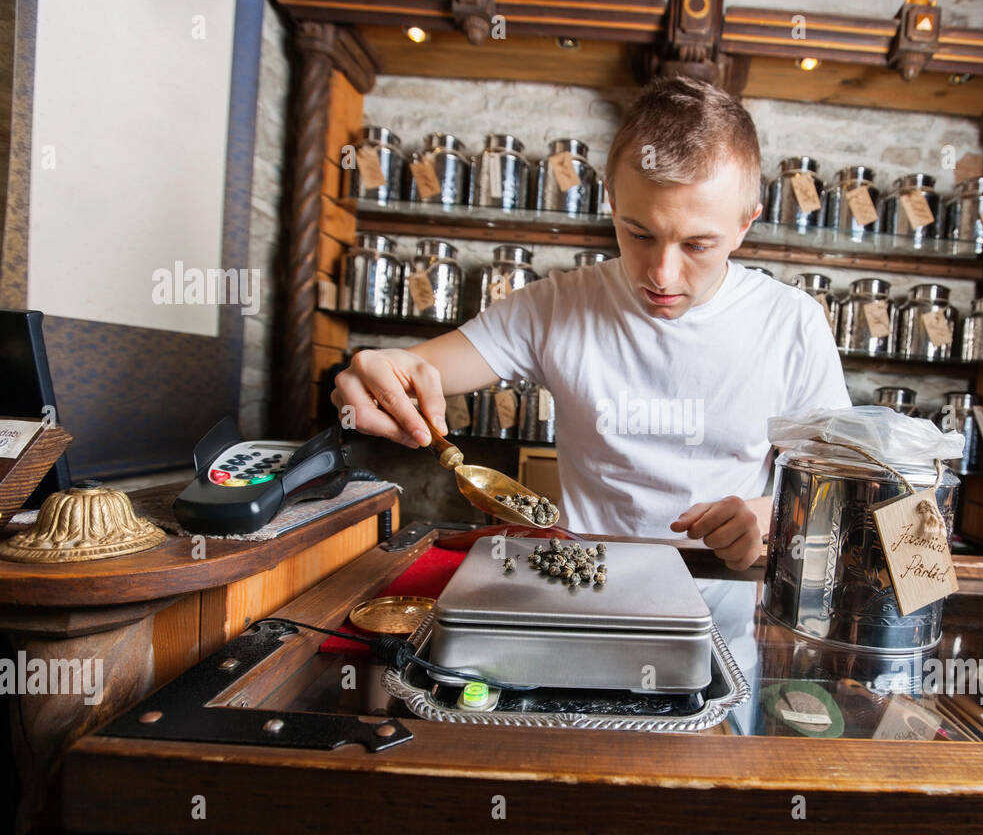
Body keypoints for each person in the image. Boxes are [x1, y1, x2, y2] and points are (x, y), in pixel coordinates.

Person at [330, 76, 849, 573]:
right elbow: (413, 372)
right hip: (585, 590)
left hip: (725, 614)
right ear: (613, 201)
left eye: (697, 245)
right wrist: (374, 375)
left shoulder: (792, 323)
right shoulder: (555, 305)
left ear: (745, 223)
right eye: (638, 233)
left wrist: (766, 515)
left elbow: (837, 491)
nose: (662, 275)